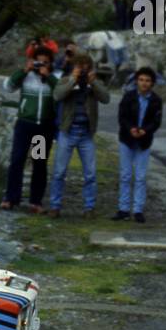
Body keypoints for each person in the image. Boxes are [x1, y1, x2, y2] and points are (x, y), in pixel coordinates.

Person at [48, 52, 110, 218]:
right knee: (59, 172)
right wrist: (72, 80)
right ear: (73, 67)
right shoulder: (64, 80)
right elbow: (57, 95)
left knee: (90, 173)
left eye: (85, 67)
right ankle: (55, 206)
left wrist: (94, 82)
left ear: (90, 68)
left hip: (86, 134)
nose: (82, 70)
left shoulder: (94, 83)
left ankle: (89, 207)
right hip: (67, 132)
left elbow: (106, 98)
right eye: (79, 67)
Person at [0, 47, 58, 213]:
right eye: (38, 61)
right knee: (17, 160)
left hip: (43, 127)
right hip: (25, 124)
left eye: (45, 62)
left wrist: (48, 76)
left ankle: (35, 201)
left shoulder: (54, 77)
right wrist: (24, 71)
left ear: (50, 63)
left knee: (39, 163)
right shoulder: (26, 76)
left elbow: (61, 91)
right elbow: (8, 87)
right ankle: (11, 198)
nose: (41, 65)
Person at [113, 66, 163, 224]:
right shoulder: (128, 97)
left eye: (147, 80)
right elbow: (122, 117)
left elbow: (156, 122)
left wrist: (145, 131)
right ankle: (123, 209)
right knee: (125, 175)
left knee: (140, 177)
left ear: (152, 83)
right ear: (136, 81)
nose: (144, 83)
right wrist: (131, 129)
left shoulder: (156, 101)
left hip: (144, 141)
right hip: (127, 140)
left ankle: (138, 210)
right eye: (141, 80)